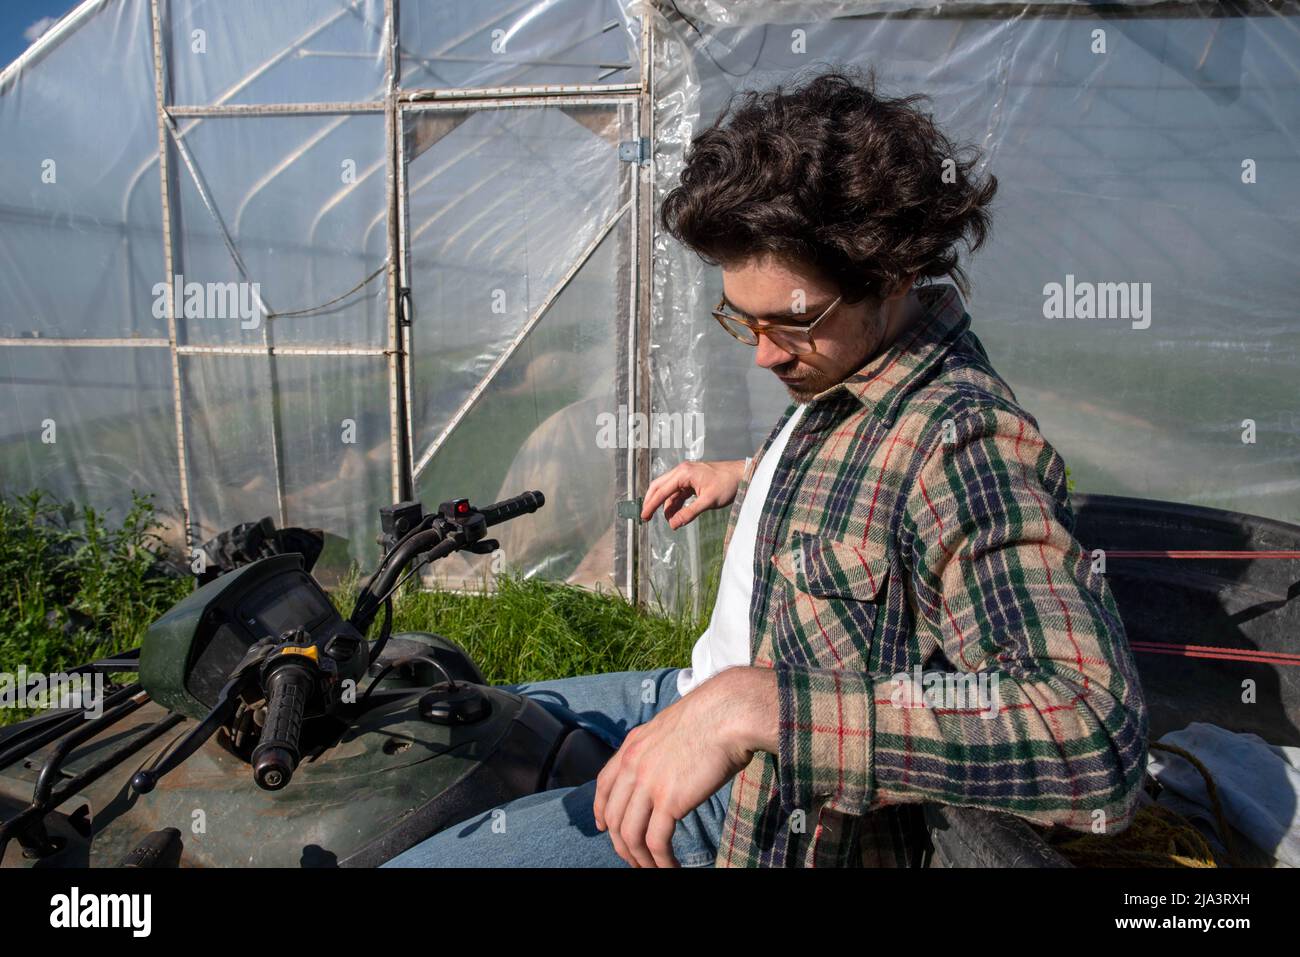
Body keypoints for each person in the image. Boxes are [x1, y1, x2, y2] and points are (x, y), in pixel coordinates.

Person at [383, 67, 1148, 869]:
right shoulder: (848, 364)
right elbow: (854, 481)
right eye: (739, 319)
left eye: (789, 321)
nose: (762, 354)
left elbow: (1091, 732)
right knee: (439, 742)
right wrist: (744, 475)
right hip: (684, 690)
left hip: (752, 799)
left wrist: (759, 708)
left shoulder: (966, 445)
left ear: (889, 276)